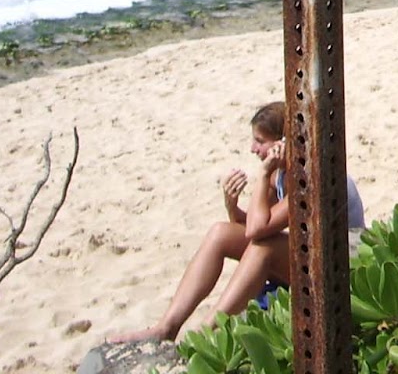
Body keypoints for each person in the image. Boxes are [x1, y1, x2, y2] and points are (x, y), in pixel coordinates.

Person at [109, 102, 366, 343]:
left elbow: (257, 230)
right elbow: (255, 226)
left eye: (260, 142)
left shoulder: (311, 175)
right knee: (220, 233)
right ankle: (166, 327)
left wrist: (263, 174)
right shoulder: (283, 172)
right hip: (313, 255)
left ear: (284, 143)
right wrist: (233, 208)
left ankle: (204, 334)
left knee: (263, 249)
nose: (253, 149)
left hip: (342, 264)